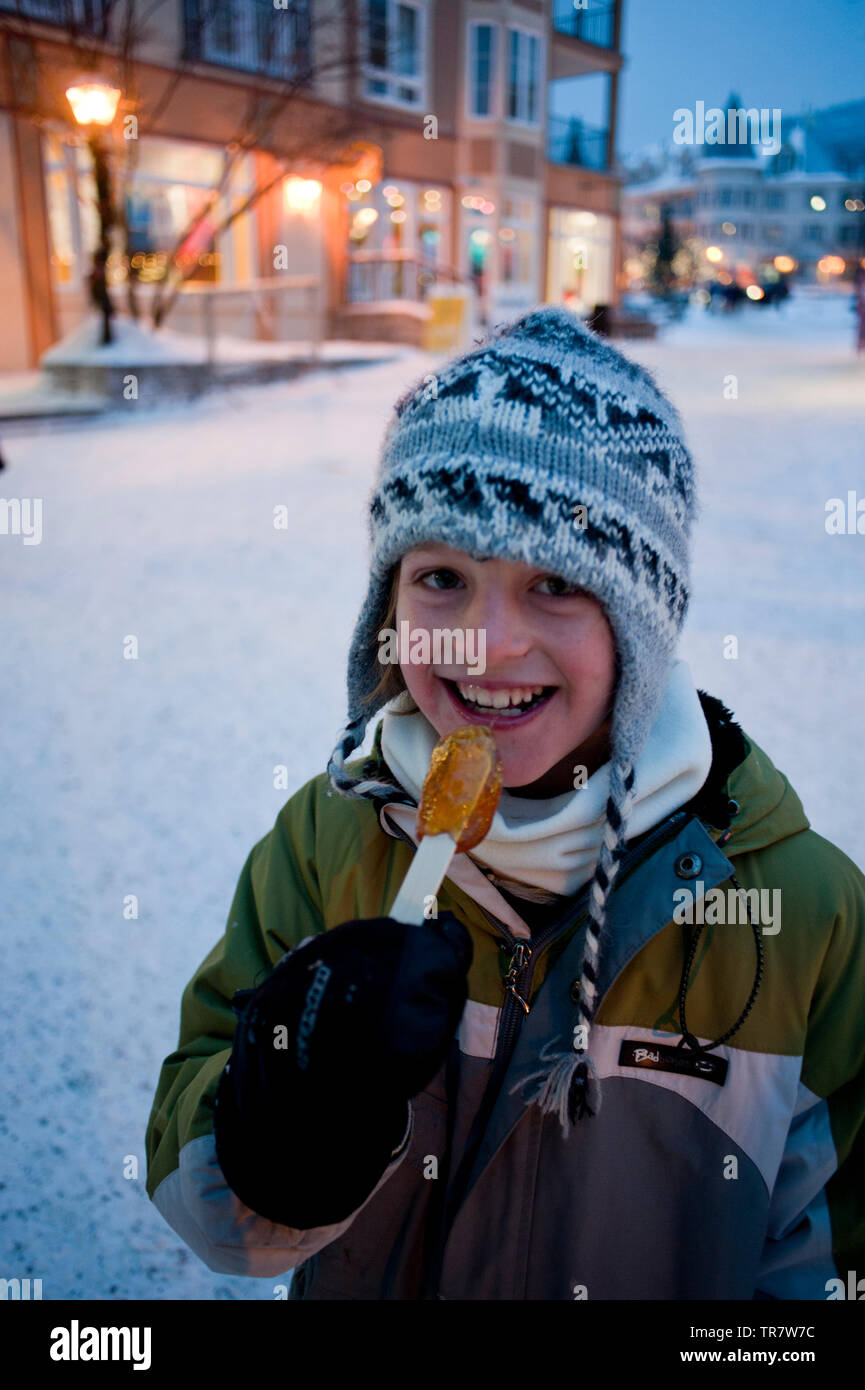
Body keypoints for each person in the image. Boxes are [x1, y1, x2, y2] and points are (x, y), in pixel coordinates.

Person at [145, 305, 865, 1300]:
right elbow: (218, 1219)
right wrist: (293, 1108)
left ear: (640, 626)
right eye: (441, 577)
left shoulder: (805, 913)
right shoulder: (327, 844)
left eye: (556, 584)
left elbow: (822, 1264)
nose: (483, 645)